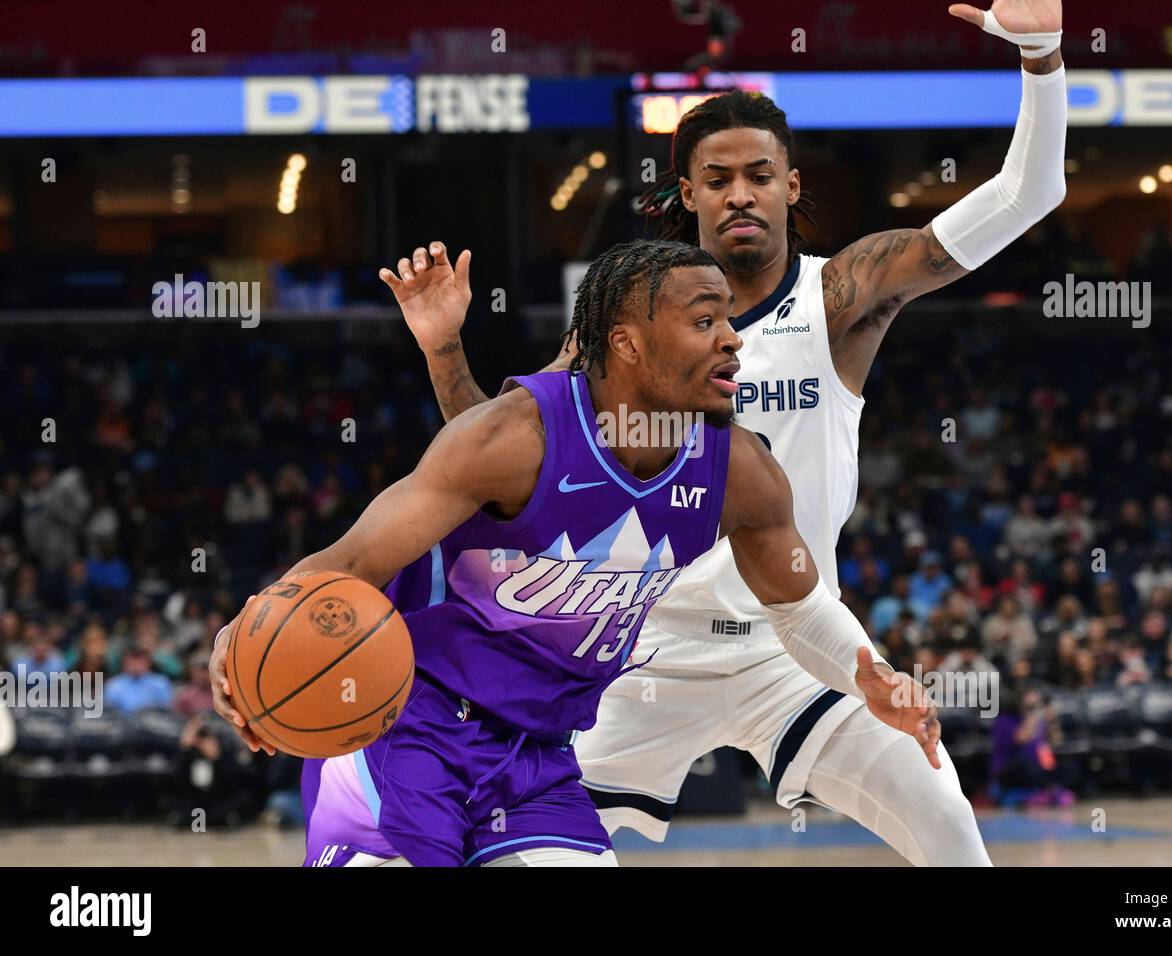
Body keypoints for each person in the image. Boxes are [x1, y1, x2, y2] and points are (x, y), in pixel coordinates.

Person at [411, 1, 1067, 865]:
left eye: (760, 174)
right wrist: (444, 348)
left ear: (791, 185)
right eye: (716, 179)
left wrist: (1044, 57)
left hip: (799, 646)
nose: (740, 193)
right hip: (639, 656)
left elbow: (1030, 194)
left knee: (950, 828)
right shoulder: (628, 326)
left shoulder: (842, 296)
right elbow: (495, 460)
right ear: (688, 195)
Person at [209, 239, 939, 867]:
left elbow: (801, 608)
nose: (733, 338)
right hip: (406, 728)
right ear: (626, 342)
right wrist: (236, 639)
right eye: (704, 321)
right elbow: (349, 562)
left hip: (539, 756)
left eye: (728, 317)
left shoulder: (739, 471)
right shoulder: (512, 435)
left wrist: (867, 675)